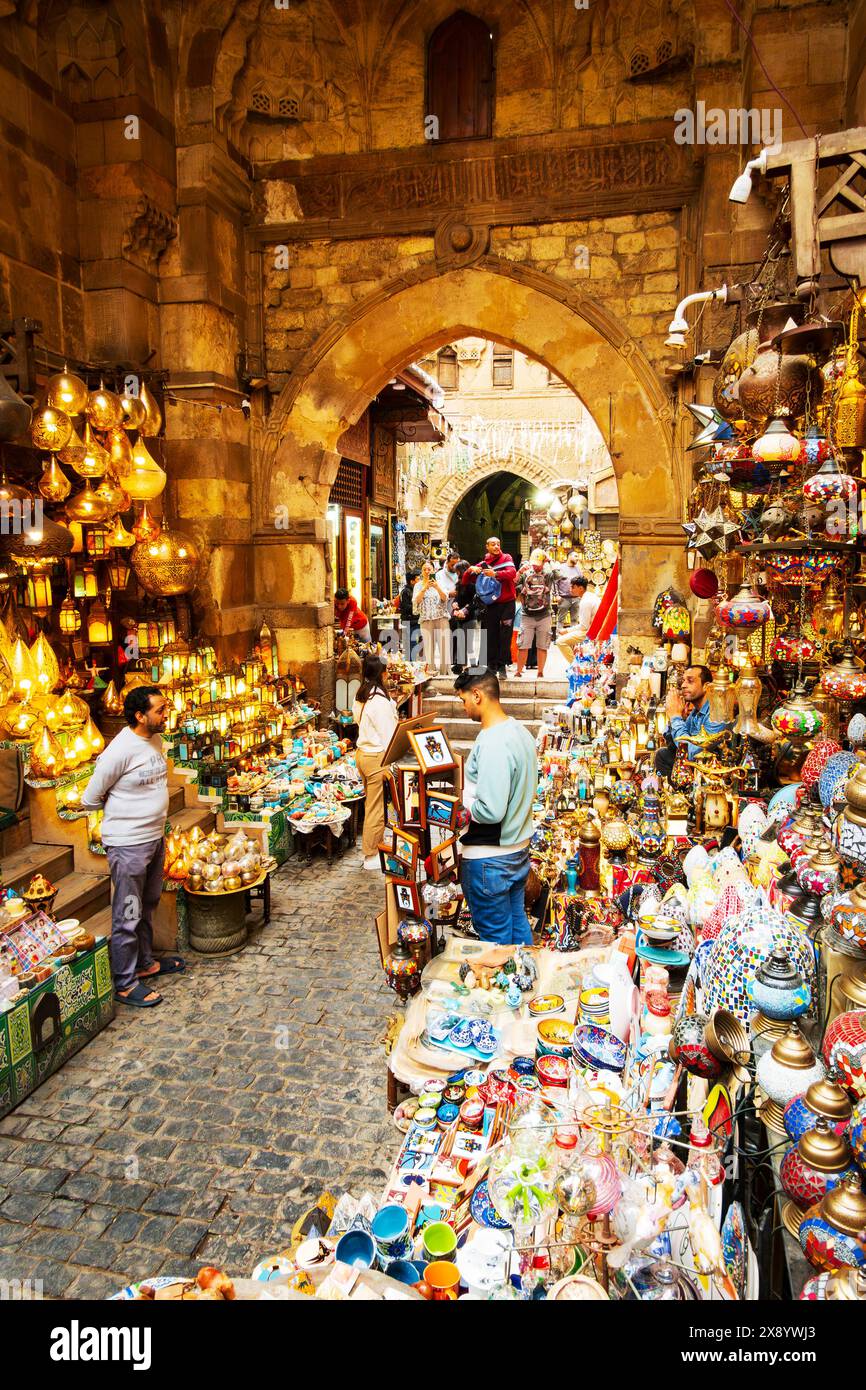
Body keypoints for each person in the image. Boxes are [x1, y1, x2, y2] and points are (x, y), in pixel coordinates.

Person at [81, 686, 183, 1008]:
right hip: (128, 845)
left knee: (148, 903)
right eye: (160, 710)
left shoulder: (155, 739)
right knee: (128, 912)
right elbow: (90, 798)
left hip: (153, 838)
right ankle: (124, 983)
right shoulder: (118, 750)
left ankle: (144, 962)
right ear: (140, 716)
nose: (166, 714)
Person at [454, 667, 538, 945]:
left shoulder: (493, 742)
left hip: (490, 858)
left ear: (477, 695)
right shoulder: (519, 731)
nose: (464, 707)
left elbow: (491, 810)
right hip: (516, 852)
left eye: (463, 700)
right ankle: (526, 982)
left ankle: (507, 986)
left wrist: (462, 809)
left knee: (496, 942)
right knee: (516, 925)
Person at [352, 653, 399, 868]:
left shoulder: (362, 694)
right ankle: (370, 855)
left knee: (371, 804)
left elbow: (356, 719)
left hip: (363, 754)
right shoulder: (379, 701)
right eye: (387, 670)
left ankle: (377, 843)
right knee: (375, 807)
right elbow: (389, 735)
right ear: (382, 673)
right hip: (375, 757)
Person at [655, 664, 727, 779]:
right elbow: (673, 745)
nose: (683, 685)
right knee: (662, 755)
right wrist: (675, 717)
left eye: (690, 681)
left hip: (711, 768)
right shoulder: (695, 713)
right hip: (693, 765)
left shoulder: (717, 712)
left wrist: (676, 717)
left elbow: (693, 753)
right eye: (683, 681)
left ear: (706, 687)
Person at [467, 537, 517, 678]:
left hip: (507, 603)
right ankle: (491, 665)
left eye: (498, 544)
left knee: (505, 634)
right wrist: (471, 569)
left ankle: (502, 665)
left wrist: (495, 573)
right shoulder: (484, 563)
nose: (496, 546)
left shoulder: (507, 558)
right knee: (491, 634)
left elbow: (512, 573)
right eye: (493, 544)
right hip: (491, 604)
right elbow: (467, 579)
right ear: (487, 547)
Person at [515, 548, 554, 679]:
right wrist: (520, 571)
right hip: (527, 614)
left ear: (543, 562)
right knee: (523, 644)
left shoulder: (548, 574)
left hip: (544, 614)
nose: (536, 565)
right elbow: (514, 583)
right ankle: (518, 671)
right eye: (534, 562)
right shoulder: (526, 573)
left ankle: (540, 672)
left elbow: (560, 575)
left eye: (539, 562)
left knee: (542, 645)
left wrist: (550, 561)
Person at [413, 560, 451, 673]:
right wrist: (424, 588)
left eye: (429, 569)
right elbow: (416, 601)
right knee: (428, 647)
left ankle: (445, 672)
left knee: (444, 646)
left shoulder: (440, 583)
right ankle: (430, 670)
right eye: (424, 569)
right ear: (421, 572)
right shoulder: (418, 585)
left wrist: (437, 587)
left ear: (434, 570)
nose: (427, 571)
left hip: (441, 618)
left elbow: (445, 598)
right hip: (426, 619)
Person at [555, 576, 601, 664]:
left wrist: (567, 630)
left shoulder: (586, 601)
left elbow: (584, 626)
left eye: (573, 587)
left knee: (560, 641)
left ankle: (576, 666)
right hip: (594, 629)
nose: (570, 589)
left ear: (580, 588)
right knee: (568, 639)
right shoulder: (590, 596)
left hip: (593, 631)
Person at [449, 560, 482, 674]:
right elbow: (458, 598)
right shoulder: (459, 584)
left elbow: (475, 602)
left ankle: (471, 666)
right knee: (460, 641)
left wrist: (465, 610)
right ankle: (461, 665)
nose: (456, 574)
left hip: (469, 616)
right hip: (459, 616)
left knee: (468, 643)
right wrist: (454, 604)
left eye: (458, 571)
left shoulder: (472, 584)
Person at [553, 551, 584, 632]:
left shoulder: (578, 569)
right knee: (560, 620)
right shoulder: (561, 568)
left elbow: (582, 583)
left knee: (574, 619)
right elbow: (555, 583)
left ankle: (572, 640)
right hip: (564, 598)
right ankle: (559, 638)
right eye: (576, 556)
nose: (577, 558)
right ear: (569, 556)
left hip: (576, 598)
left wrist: (581, 595)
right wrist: (556, 595)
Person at [399, 568, 421, 661]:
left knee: (414, 643)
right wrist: (417, 605)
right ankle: (410, 664)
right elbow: (406, 607)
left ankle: (412, 662)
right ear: (412, 581)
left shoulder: (416, 590)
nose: (419, 581)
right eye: (417, 579)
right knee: (410, 643)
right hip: (409, 621)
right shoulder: (406, 592)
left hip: (415, 620)